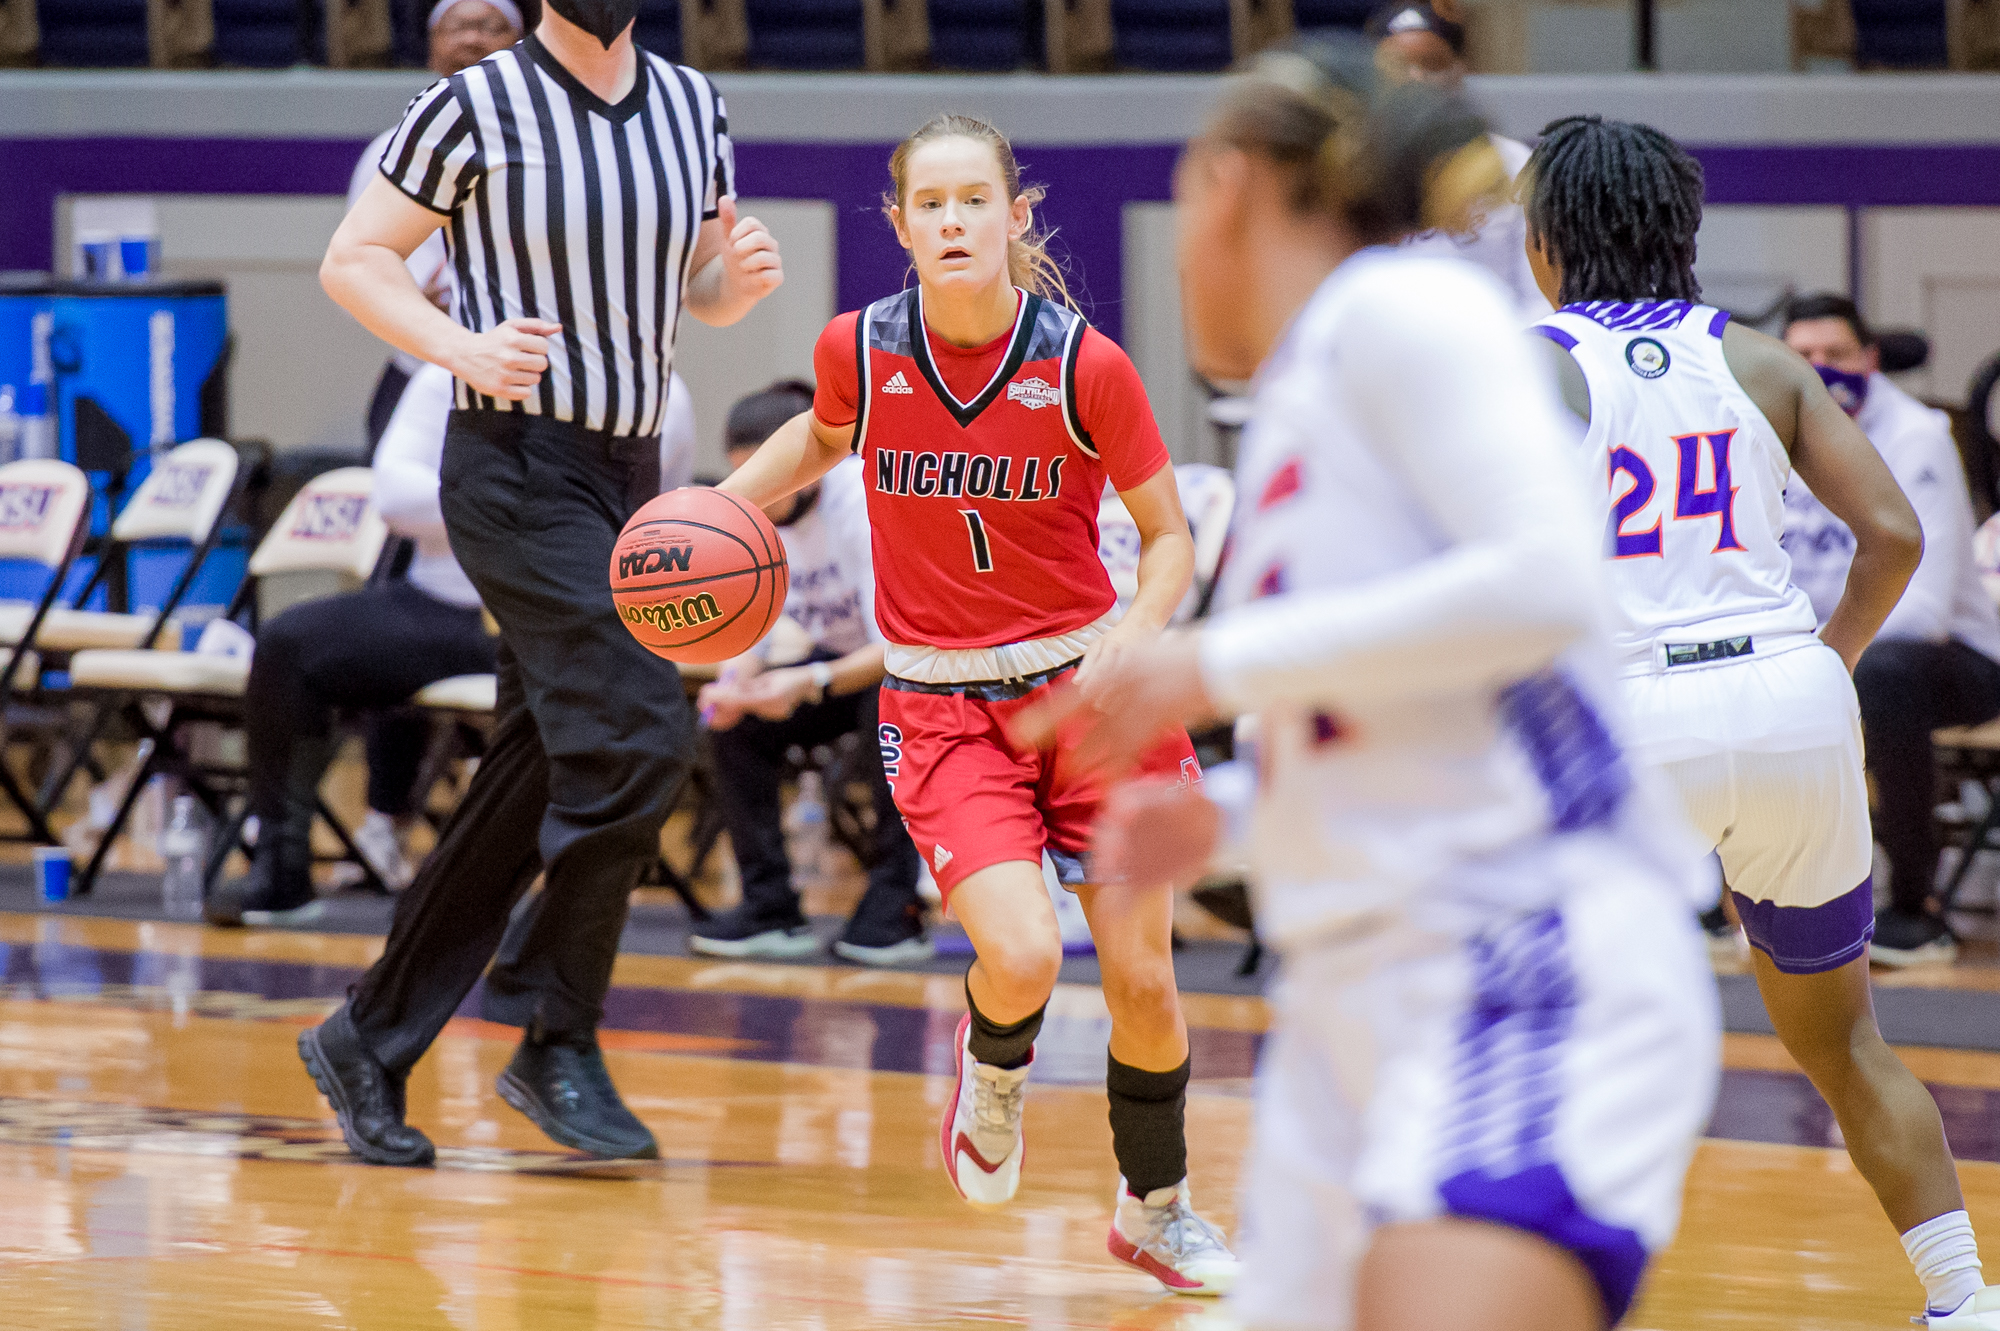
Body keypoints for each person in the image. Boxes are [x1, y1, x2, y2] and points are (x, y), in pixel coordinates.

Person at [1031, 45, 1721, 1331]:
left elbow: (1543, 584)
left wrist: (1206, 666)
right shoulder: (1307, 388)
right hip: (1350, 1000)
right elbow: (1411, 703)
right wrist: (1231, 816)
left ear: (1227, 184)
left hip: (1512, 955)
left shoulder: (1400, 311)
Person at [715, 114, 1240, 1294]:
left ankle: (1154, 1210)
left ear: (1016, 214)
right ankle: (992, 1059)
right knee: (1019, 953)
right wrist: (709, 515)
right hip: (944, 706)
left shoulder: (1083, 364)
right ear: (898, 225)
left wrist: (1136, 643)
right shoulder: (860, 346)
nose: (951, 222)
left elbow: (1166, 541)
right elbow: (819, 432)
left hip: (1090, 688)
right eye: (928, 205)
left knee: (1145, 981)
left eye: (972, 201)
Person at [1522, 116, 2000, 1330]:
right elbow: (1892, 534)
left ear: (1546, 241)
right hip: (1784, 704)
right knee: (1845, 1043)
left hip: (1628, 718)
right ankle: (1963, 1298)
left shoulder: (1529, 364)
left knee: (1532, 1036)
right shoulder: (1761, 362)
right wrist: (1825, 660)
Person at [300, 0, 782, 1167]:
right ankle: (553, 1029)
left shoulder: (691, 105)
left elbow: (694, 291)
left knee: (544, 763)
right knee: (643, 723)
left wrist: (734, 283)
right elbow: (352, 259)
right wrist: (457, 346)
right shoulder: (472, 102)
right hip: (514, 467)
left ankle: (368, 1035)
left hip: (630, 473)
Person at [204, 360, 699, 927]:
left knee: (607, 676)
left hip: (571, 608)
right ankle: (280, 865)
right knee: (290, 641)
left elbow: (656, 518)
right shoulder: (452, 368)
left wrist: (493, 500)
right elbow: (394, 496)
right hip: (445, 606)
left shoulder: (657, 387)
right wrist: (542, 507)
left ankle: (576, 889)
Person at [1779, 293, 2000, 967]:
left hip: (1963, 663)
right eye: (1803, 357)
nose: (1820, 369)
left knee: (1886, 671)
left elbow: (1922, 614)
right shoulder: (1769, 435)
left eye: (1836, 354)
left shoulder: (1915, 436)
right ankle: (1733, 904)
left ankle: (1914, 907)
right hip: (1829, 650)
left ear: (1870, 359)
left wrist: (1811, 653)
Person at [688, 381, 930, 966]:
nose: (763, 493)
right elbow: (753, 627)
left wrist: (807, 683)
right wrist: (734, 685)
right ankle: (771, 908)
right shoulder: (752, 513)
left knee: (888, 705)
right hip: (844, 663)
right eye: (748, 475)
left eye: (773, 475)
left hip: (917, 662)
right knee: (734, 725)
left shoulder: (860, 499)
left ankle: (898, 906)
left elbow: (901, 647)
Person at [347, 0, 526, 448]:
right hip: (419, 377)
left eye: (491, 26)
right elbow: (362, 274)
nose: (473, 38)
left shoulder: (549, 146)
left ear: (523, 47)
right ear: (431, 49)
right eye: (458, 26)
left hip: (524, 381)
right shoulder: (390, 150)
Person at [1365, 0, 1549, 318]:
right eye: (1397, 65)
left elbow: (1538, 296)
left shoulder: (1512, 162)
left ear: (1460, 68)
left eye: (1432, 63)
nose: (1415, 78)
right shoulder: (1351, 169)